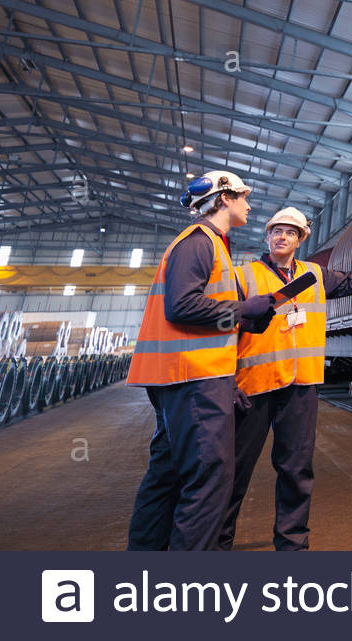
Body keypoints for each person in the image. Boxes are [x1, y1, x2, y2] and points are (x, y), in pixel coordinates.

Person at [217, 207, 352, 551]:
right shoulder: (243, 276)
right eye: (276, 231)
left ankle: (292, 545)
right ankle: (218, 542)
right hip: (254, 387)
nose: (282, 237)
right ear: (267, 236)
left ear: (300, 239)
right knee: (235, 470)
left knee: (296, 470)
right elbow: (225, 331)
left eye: (290, 232)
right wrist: (227, 382)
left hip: (301, 388)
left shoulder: (315, 275)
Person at [126, 169, 277, 551]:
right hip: (192, 379)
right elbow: (182, 307)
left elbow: (199, 311)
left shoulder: (211, 245)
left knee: (168, 476)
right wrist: (242, 310)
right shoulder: (199, 242)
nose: (249, 204)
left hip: (186, 379)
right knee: (210, 479)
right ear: (224, 198)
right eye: (243, 196)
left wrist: (243, 318)